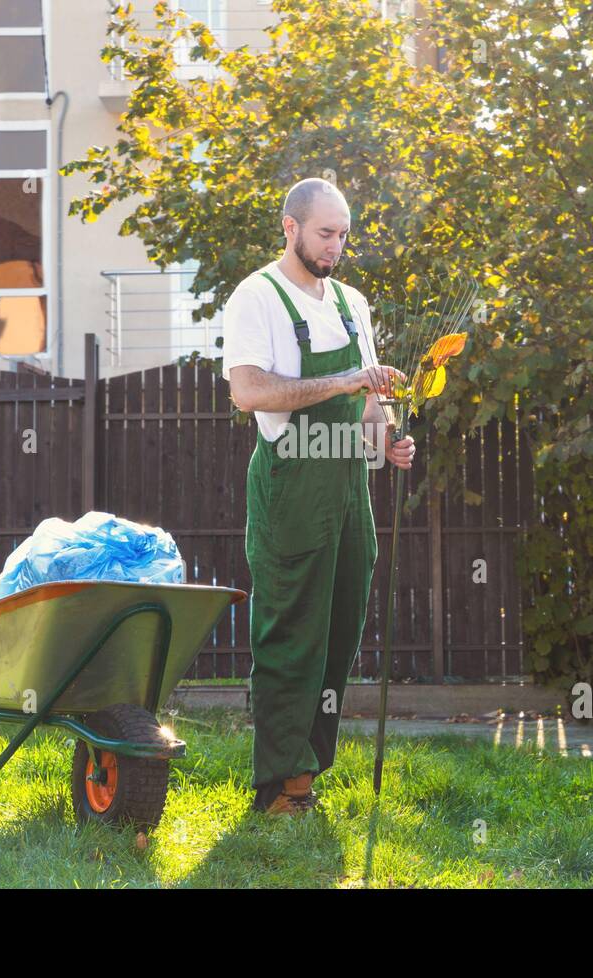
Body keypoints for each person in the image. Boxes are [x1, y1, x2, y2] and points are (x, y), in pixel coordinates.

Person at [222, 177, 415, 815]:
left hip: (346, 488)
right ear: (291, 227)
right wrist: (348, 380)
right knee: (290, 631)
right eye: (326, 233)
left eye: (343, 236)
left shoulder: (352, 302)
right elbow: (249, 391)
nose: (335, 247)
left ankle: (311, 769)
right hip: (291, 485)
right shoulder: (258, 295)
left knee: (339, 629)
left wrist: (387, 443)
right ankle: (280, 781)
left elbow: (368, 401)